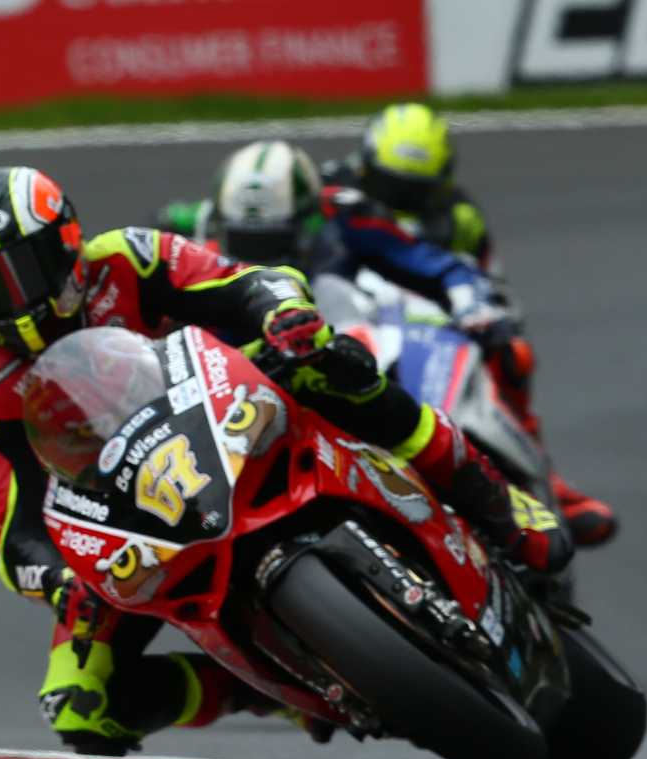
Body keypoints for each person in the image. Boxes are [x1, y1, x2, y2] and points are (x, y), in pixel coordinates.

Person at [0, 163, 565, 756]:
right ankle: (273, 691)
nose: (13, 298)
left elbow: (244, 281)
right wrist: (54, 578)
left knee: (336, 367)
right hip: (131, 517)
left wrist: (284, 313)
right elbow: (15, 532)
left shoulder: (127, 257)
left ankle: (498, 502)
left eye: (23, 270)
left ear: (66, 245)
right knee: (81, 705)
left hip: (229, 403)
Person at [160, 120, 615, 544]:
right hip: (242, 381)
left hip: (344, 349)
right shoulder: (197, 240)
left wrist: (472, 303)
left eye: (272, 241)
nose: (258, 255)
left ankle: (534, 492)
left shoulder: (349, 216)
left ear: (307, 220)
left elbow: (435, 264)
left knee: (490, 366)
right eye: (245, 240)